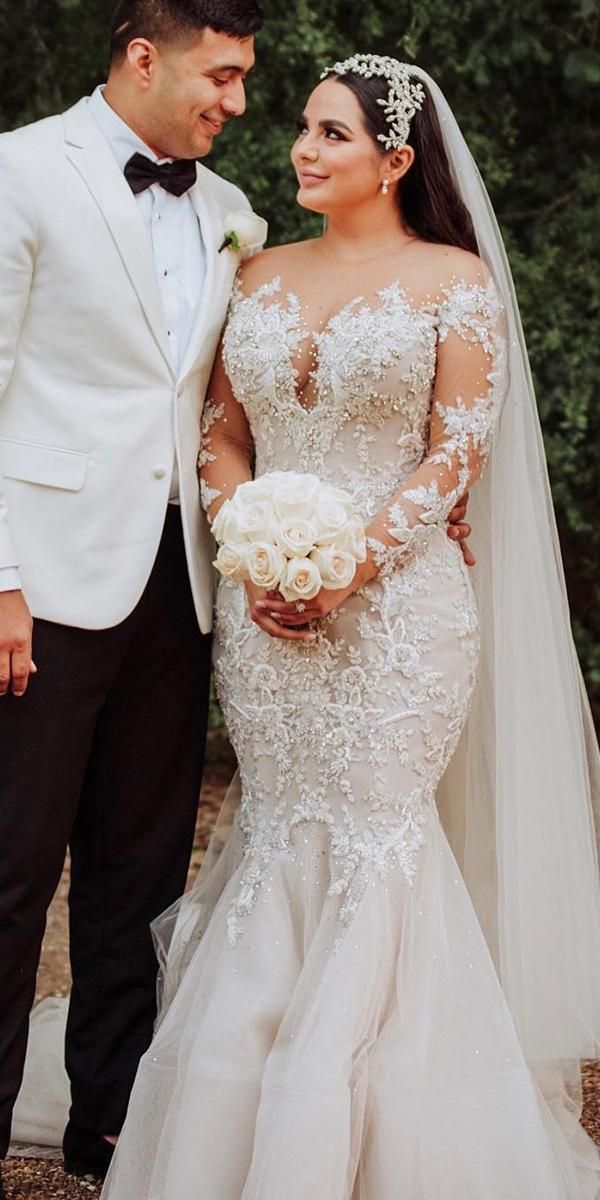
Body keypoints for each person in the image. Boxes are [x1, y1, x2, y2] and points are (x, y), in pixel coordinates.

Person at [99, 55, 600, 1200]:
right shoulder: (258, 270)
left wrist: (349, 566)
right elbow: (220, 435)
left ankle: (381, 1141)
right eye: (303, 130)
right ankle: (235, 1130)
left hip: (403, 617)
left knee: (378, 839)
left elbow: (456, 449)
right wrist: (256, 547)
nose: (304, 149)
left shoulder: (454, 281)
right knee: (278, 828)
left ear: (396, 161)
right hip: (267, 621)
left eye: (332, 133)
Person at [0, 0, 264, 1190]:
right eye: (223, 74)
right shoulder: (17, 171)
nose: (238, 102)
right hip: (40, 581)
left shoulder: (223, 212)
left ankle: (109, 1123)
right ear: (143, 56)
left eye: (247, 78)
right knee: (10, 869)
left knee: (140, 868)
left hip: (178, 588)